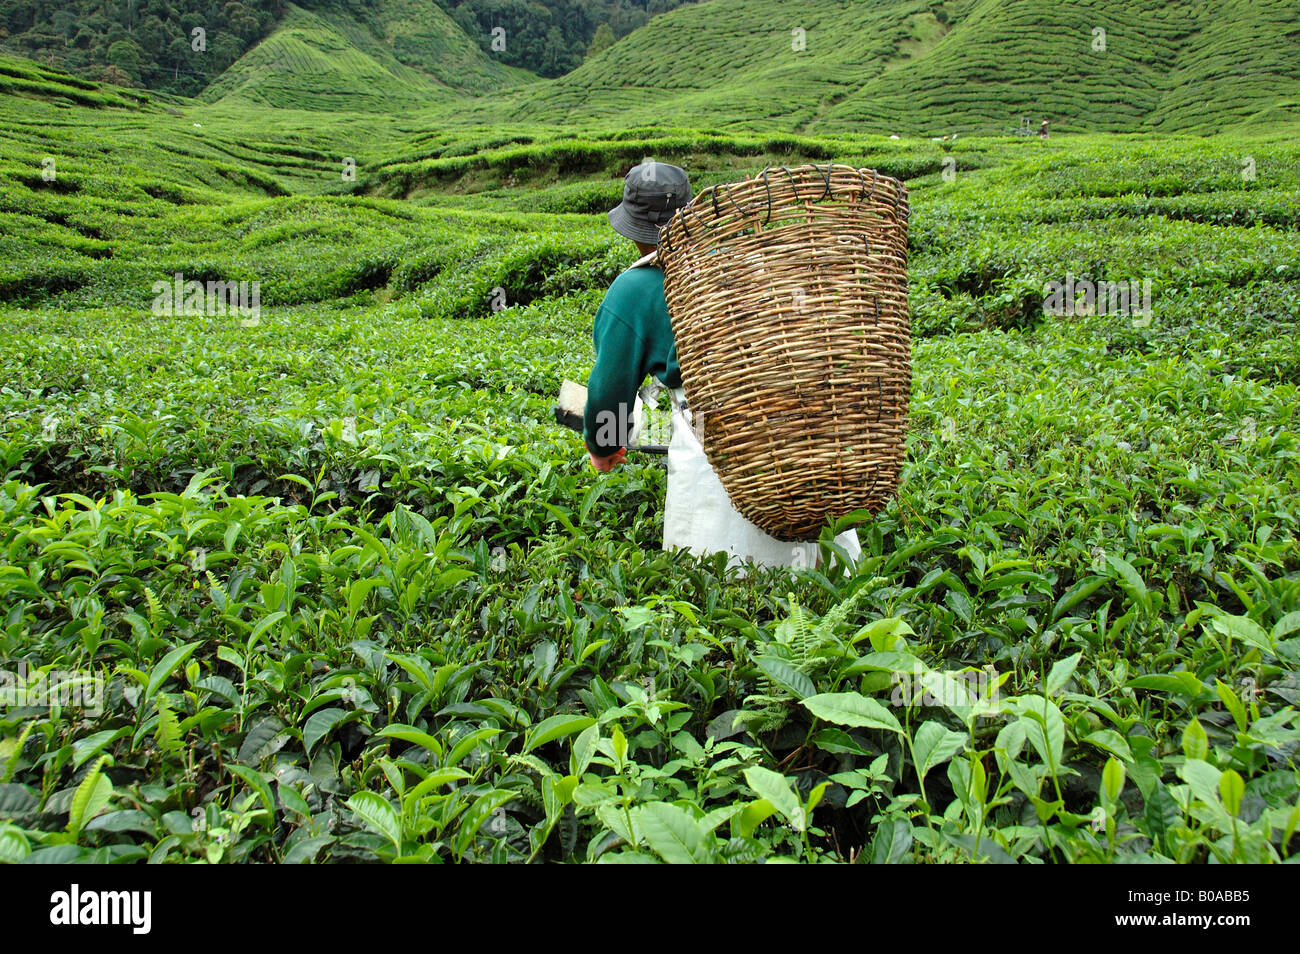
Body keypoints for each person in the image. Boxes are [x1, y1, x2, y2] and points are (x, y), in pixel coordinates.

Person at [584, 161, 860, 569]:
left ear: (632, 230)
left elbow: (610, 390)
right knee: (820, 590)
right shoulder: (742, 260)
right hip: (804, 443)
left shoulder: (634, 289)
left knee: (727, 592)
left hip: (720, 455)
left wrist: (603, 447)